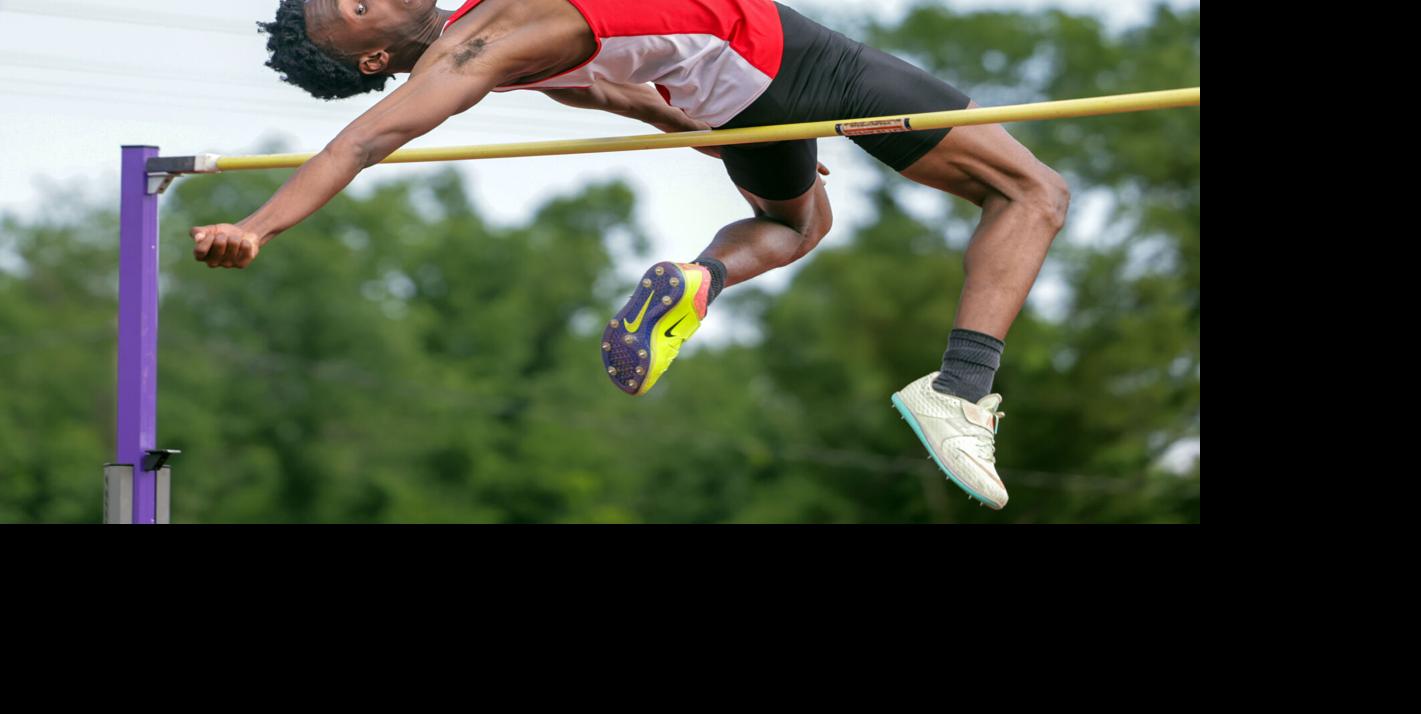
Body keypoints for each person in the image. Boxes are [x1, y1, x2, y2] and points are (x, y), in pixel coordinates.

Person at [196, 0, 1070, 509]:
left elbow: (617, 89)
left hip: (741, 102)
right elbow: (359, 143)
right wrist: (260, 227)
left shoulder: (498, 39)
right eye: (352, 6)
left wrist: (705, 136)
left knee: (801, 227)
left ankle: (702, 277)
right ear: (373, 52)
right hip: (791, 58)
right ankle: (959, 389)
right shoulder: (477, 49)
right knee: (1030, 191)